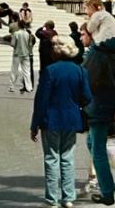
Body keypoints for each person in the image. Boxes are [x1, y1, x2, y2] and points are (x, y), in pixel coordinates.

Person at [31, 34, 91, 208]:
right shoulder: (80, 71)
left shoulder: (50, 71)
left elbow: (41, 100)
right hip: (71, 119)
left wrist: (35, 124)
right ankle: (69, 197)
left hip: (51, 120)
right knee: (67, 157)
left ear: (56, 51)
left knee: (51, 158)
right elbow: (87, 97)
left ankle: (52, 198)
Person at [82, 19, 115, 207]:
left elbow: (88, 81)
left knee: (97, 147)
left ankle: (107, 192)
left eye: (84, 33)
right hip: (107, 103)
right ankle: (106, 184)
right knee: (93, 142)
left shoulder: (96, 55)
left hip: (98, 105)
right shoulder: (107, 53)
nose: (82, 37)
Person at [9, 20, 36, 93]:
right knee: (27, 71)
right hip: (26, 54)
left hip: (17, 54)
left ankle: (12, 86)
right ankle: (29, 87)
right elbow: (30, 44)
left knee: (14, 70)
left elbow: (12, 44)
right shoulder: (27, 34)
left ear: (18, 25)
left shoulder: (16, 33)